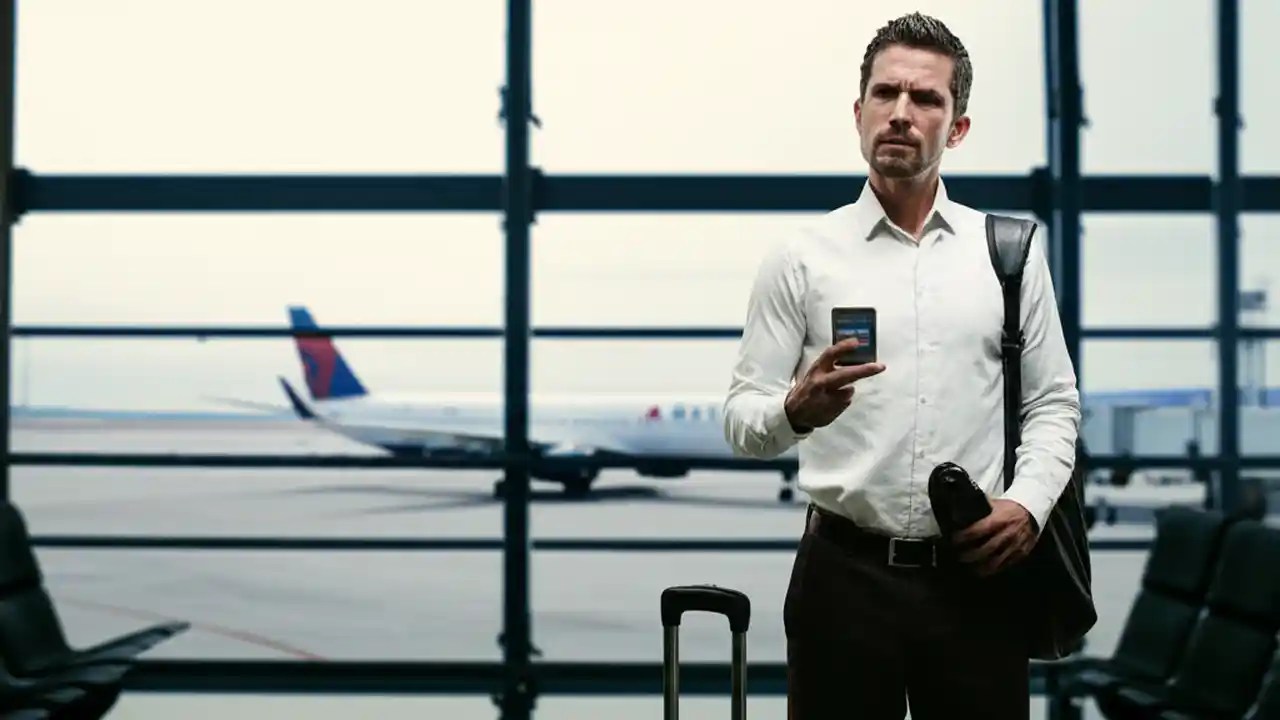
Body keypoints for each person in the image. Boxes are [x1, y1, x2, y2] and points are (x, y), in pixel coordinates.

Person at [722, 12, 1081, 720]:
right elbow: (740, 417)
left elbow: (1054, 405)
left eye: (926, 100)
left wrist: (1028, 504)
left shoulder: (1007, 253)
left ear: (959, 128)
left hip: (978, 582)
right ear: (858, 113)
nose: (901, 113)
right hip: (842, 581)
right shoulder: (801, 258)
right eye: (885, 95)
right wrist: (793, 411)